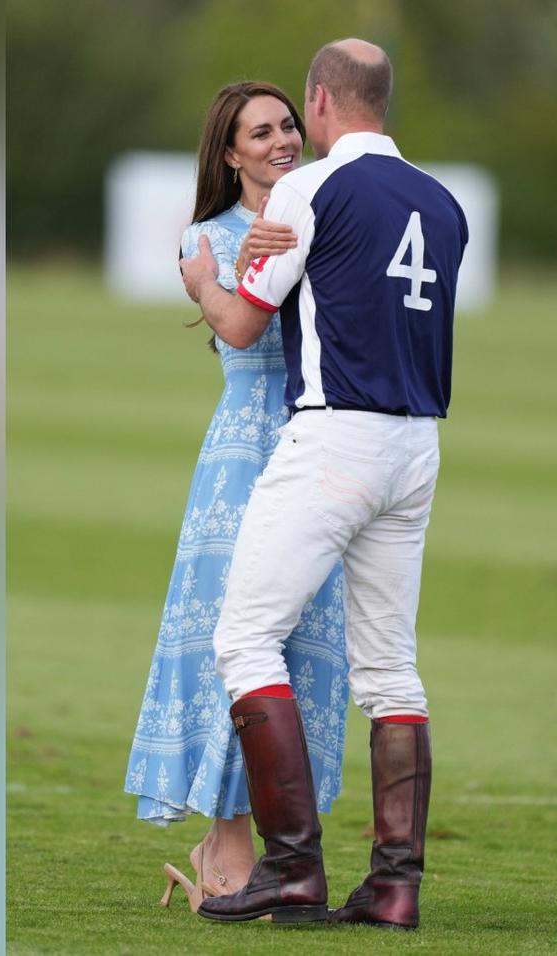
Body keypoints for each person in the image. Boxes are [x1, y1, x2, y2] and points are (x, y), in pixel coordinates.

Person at [179, 39, 468, 929]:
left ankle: (293, 869)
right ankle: (393, 887)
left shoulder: (311, 189)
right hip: (416, 446)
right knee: (392, 671)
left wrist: (202, 277)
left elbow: (240, 324)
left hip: (333, 436)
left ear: (321, 100)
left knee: (245, 638)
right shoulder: (446, 203)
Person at [124, 81, 349, 914]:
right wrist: (241, 266)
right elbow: (235, 326)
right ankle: (224, 840)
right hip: (241, 453)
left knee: (298, 647)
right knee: (231, 639)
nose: (283, 139)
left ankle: (264, 837)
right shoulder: (208, 238)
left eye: (290, 123)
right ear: (230, 152)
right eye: (261, 131)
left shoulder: (324, 217)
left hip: (320, 446)